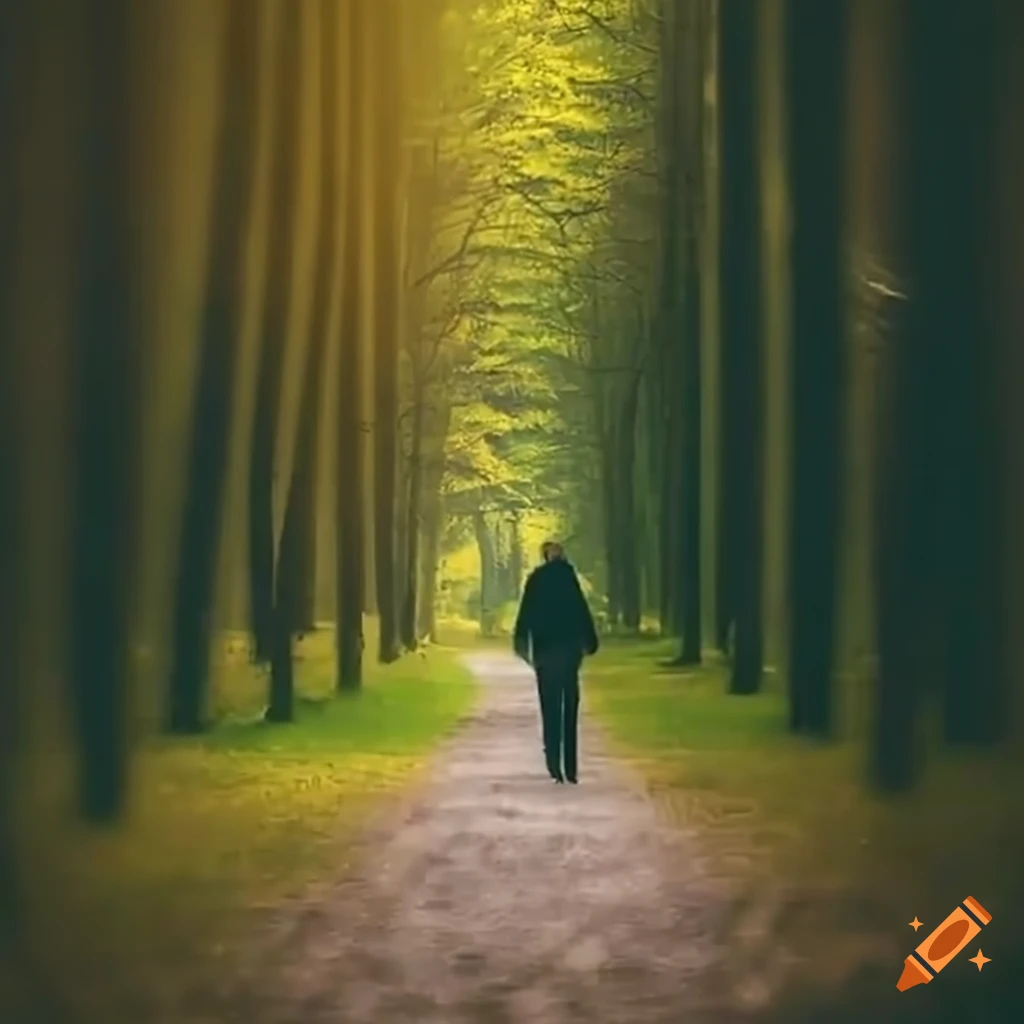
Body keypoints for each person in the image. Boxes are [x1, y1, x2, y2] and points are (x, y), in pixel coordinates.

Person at [513, 541, 598, 784]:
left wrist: (521, 642)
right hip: (569, 651)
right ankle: (570, 767)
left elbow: (526, 612)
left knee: (549, 706)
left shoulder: (536, 579)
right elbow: (582, 610)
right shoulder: (570, 579)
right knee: (569, 706)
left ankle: (553, 761)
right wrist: (590, 641)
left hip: (545, 651)